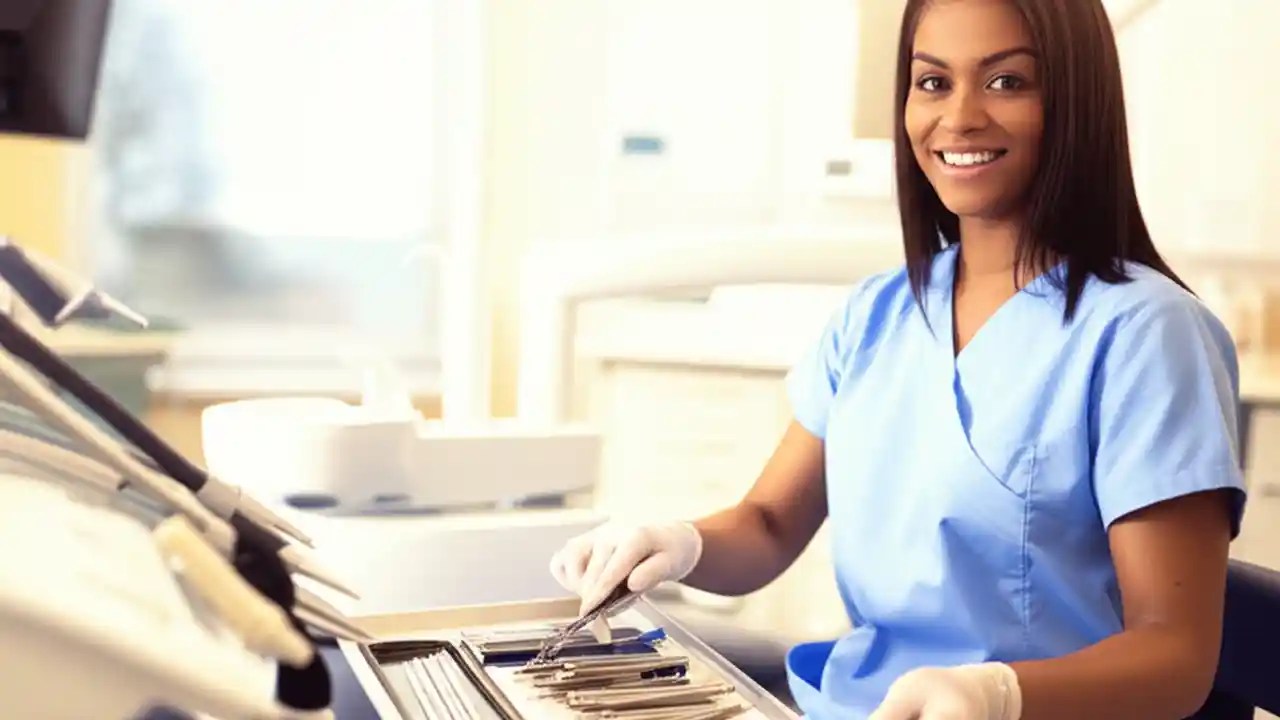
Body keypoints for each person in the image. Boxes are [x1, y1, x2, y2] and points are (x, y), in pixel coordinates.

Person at [548, 0, 1248, 718]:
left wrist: (999, 695)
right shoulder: (876, 314)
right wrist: (679, 543)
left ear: (1076, 100)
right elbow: (767, 524)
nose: (960, 117)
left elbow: (1175, 657)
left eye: (1007, 82)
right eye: (933, 82)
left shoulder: (1146, 334)